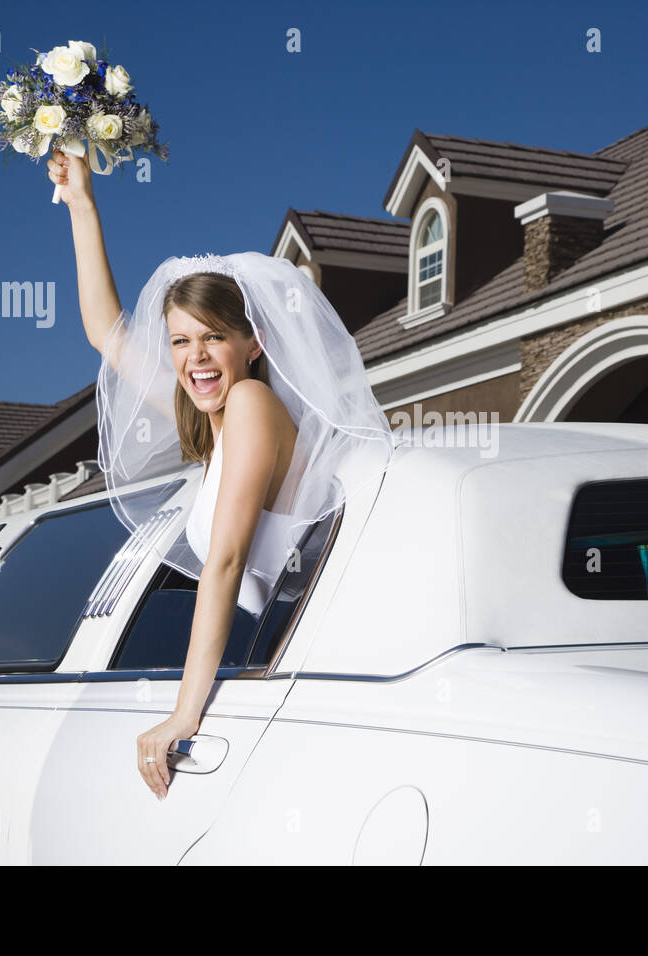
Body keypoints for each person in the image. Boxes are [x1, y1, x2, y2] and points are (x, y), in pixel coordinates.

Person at [48, 148, 394, 800]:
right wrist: (82, 201)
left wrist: (185, 712)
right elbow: (106, 333)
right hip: (266, 652)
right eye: (180, 341)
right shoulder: (215, 427)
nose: (194, 356)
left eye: (212, 338)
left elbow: (228, 559)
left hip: (305, 655)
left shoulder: (251, 403)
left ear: (253, 343)